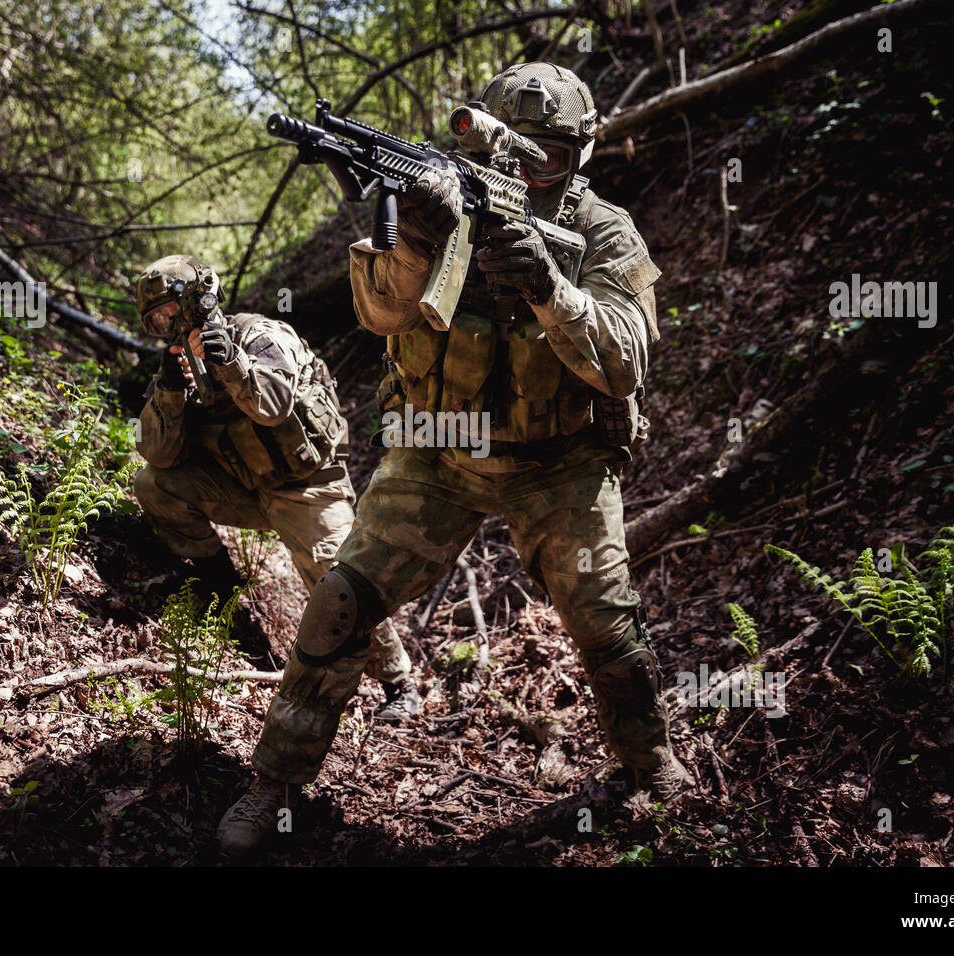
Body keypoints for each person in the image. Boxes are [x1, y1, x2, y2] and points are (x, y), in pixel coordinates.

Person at [219, 62, 691, 858]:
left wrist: (550, 286)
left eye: (553, 156)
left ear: (581, 155)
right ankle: (273, 783)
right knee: (340, 602)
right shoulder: (431, 198)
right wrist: (419, 241)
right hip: (438, 451)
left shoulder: (605, 232)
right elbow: (379, 313)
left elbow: (626, 364)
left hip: (559, 461)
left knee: (608, 628)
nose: (533, 170)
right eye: (518, 152)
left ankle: (654, 768)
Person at [131, 254, 420, 723]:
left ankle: (397, 683)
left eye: (171, 311)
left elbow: (274, 407)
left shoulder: (261, 335)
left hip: (306, 486)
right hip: (242, 486)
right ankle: (220, 587)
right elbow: (158, 455)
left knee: (342, 578)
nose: (166, 325)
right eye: (155, 320)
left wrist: (228, 363)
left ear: (198, 302)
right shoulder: (178, 366)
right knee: (153, 485)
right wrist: (168, 388)